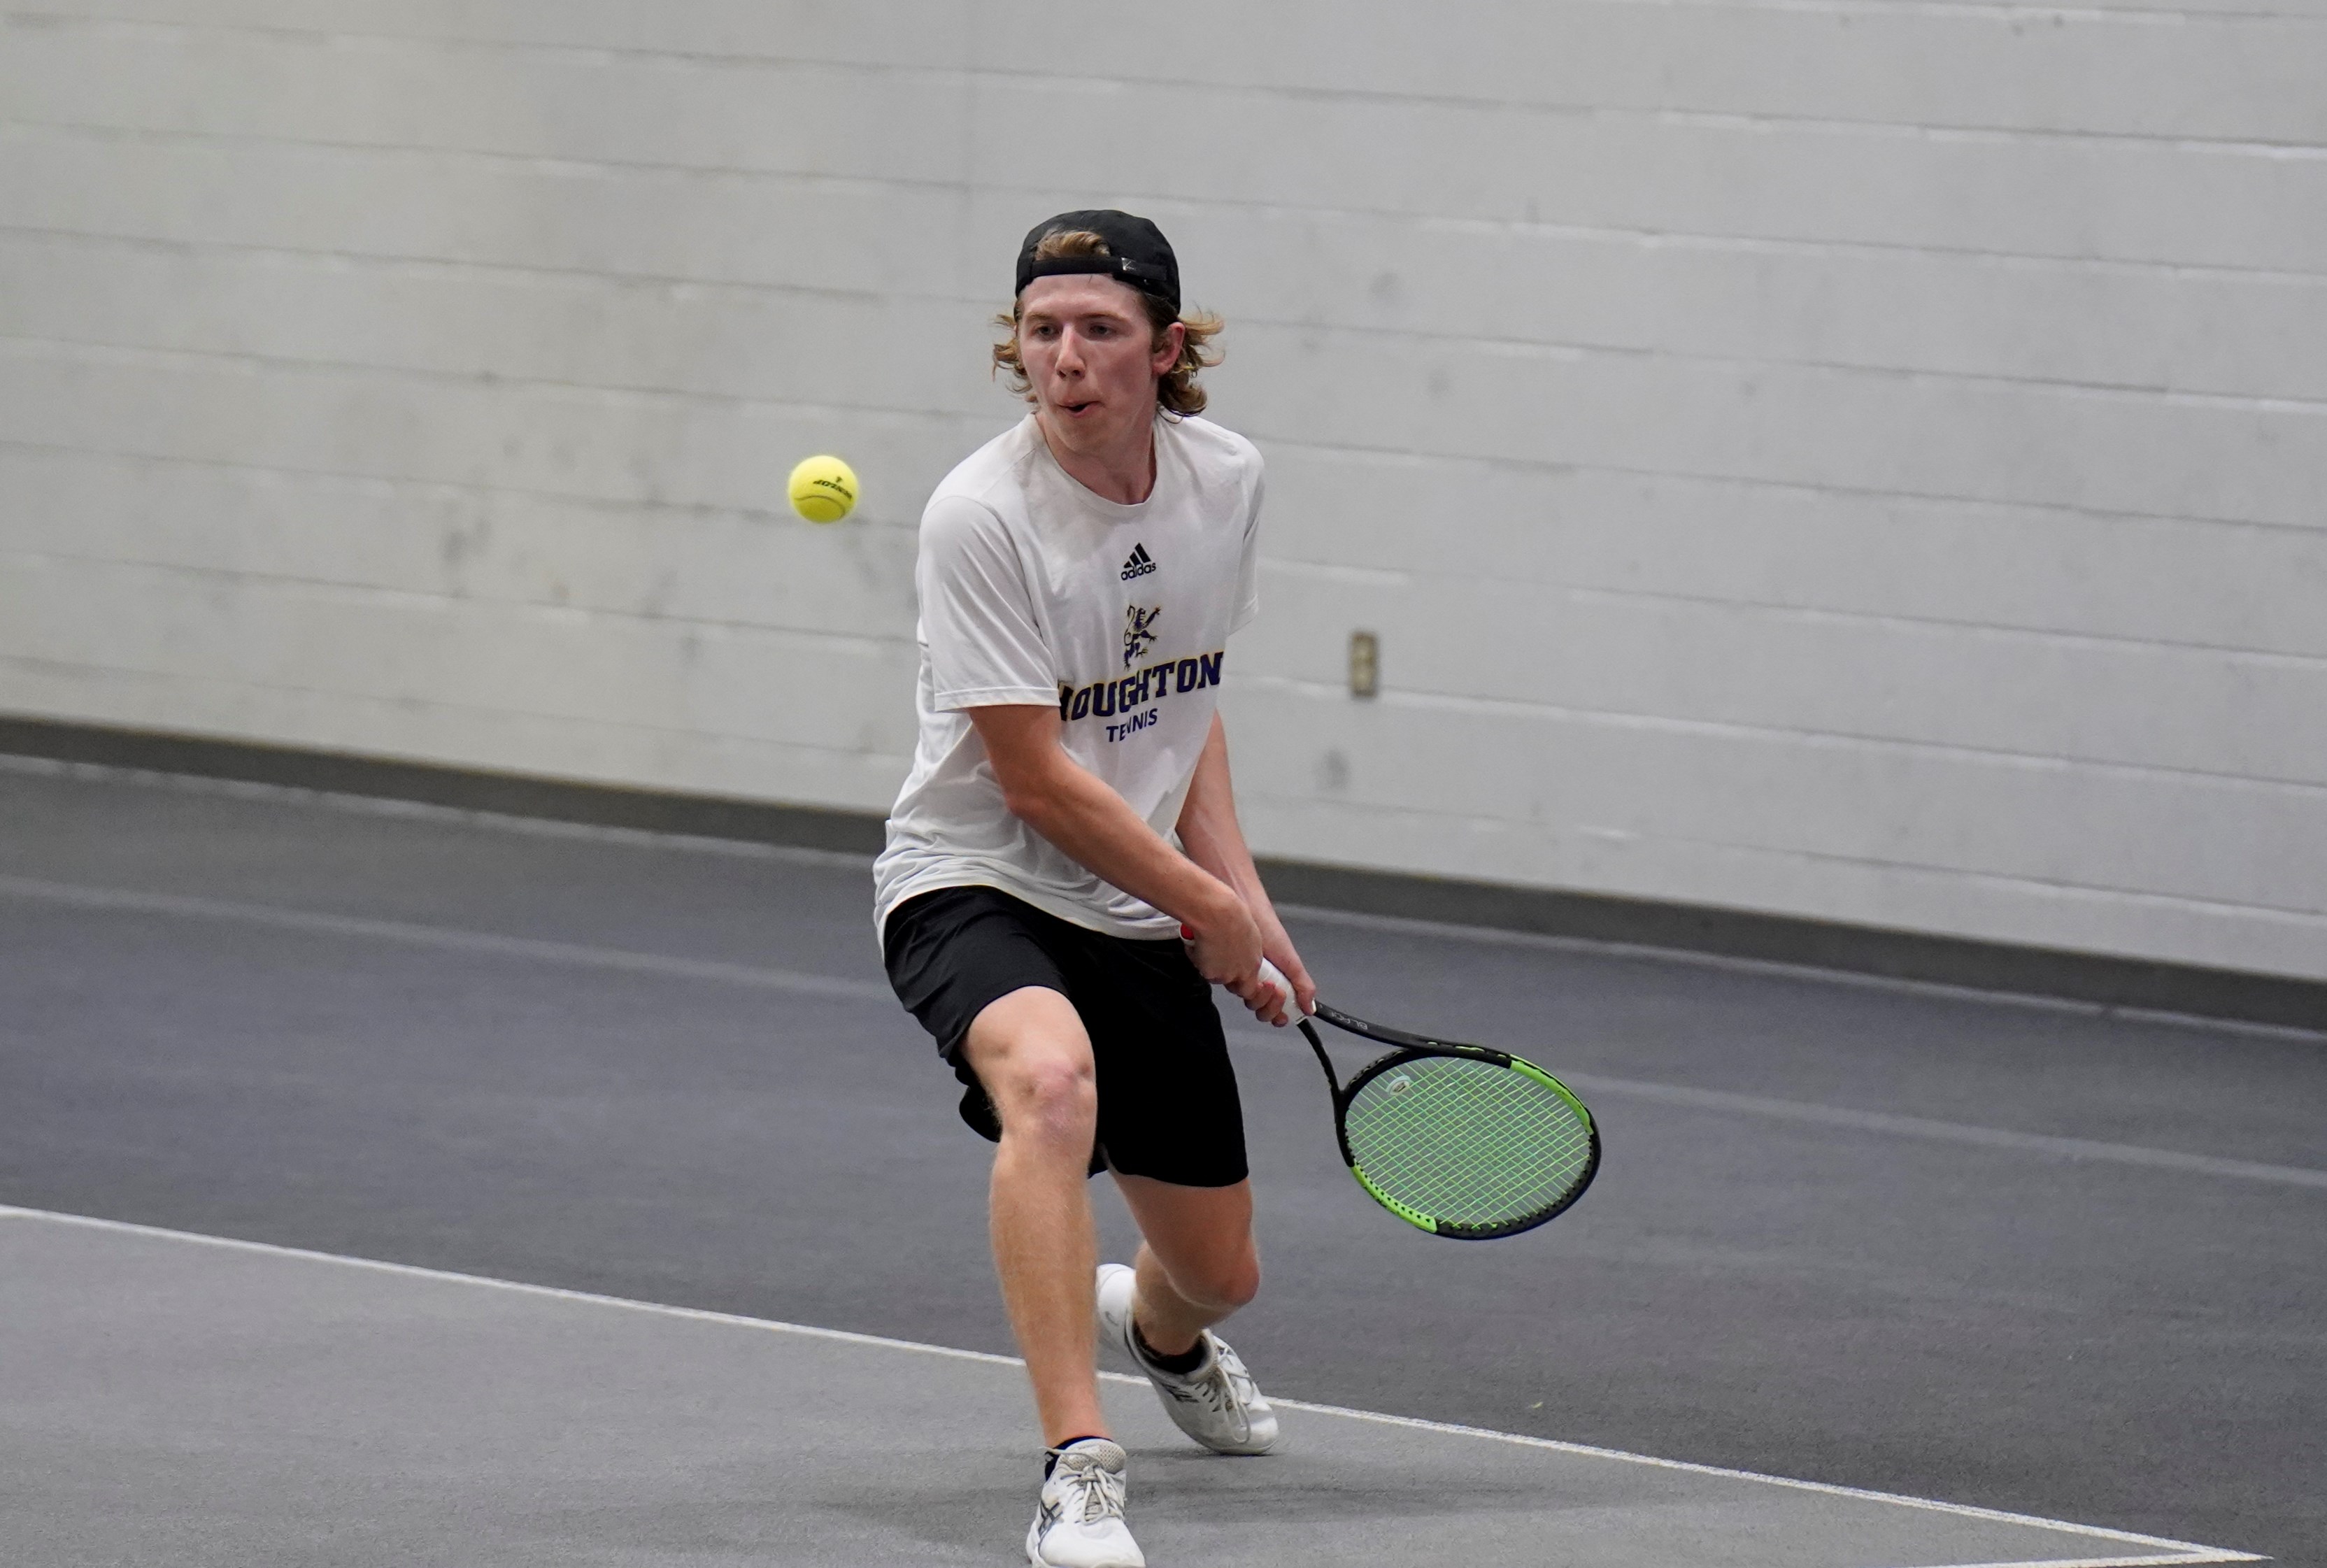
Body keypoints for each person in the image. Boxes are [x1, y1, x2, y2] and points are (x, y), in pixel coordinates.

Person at [874, 209, 1316, 1568]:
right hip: (975, 879)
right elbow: (1034, 777)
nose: (1064, 357)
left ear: (1166, 348)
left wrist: (1241, 896)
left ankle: (1162, 1333)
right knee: (1050, 1088)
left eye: (1099, 330)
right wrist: (1208, 904)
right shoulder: (980, 515)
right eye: (1041, 329)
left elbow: (1184, 705)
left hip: (1135, 895)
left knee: (1221, 1269)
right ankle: (1079, 1463)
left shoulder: (1224, 480)